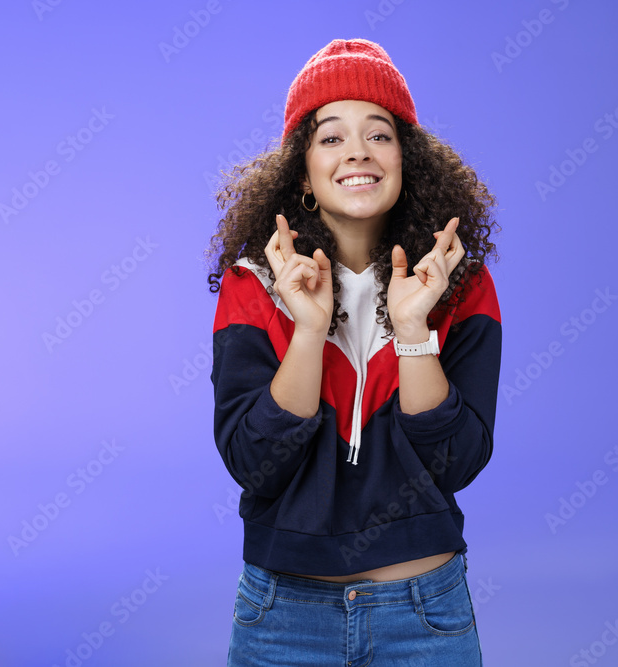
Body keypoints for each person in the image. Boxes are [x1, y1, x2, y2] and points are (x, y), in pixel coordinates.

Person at [206, 38, 501, 666]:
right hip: (282, 618)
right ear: (303, 168)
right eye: (331, 137)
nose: (358, 152)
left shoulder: (458, 283)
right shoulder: (253, 283)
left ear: (407, 158)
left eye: (380, 134)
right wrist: (309, 330)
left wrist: (414, 327)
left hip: (425, 618)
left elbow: (457, 463)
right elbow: (253, 463)